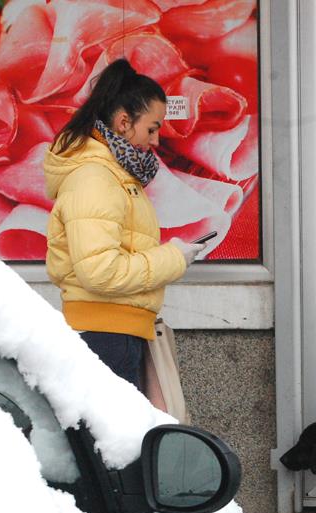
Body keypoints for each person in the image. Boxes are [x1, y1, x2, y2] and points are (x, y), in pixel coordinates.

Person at [44, 59, 204, 390]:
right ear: (122, 122)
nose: (157, 141)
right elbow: (100, 271)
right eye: (152, 128)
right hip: (106, 338)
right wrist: (174, 257)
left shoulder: (112, 175)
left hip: (114, 334)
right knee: (114, 443)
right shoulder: (95, 178)